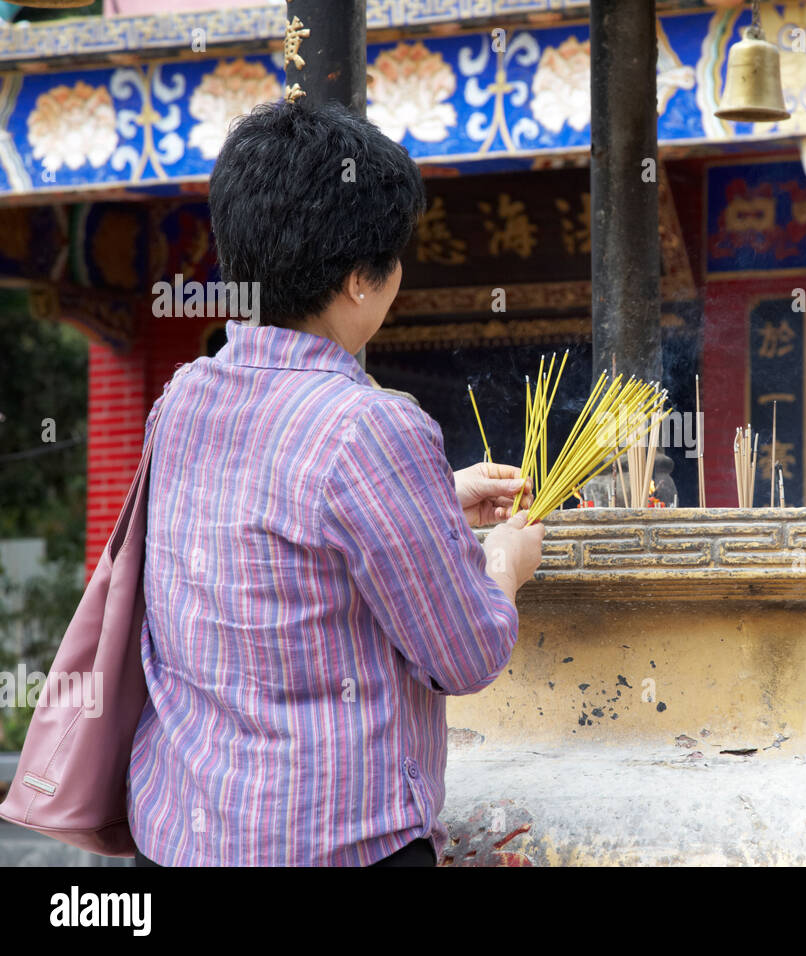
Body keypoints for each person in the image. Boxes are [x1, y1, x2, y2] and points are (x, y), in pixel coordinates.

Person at [127, 100, 545, 866]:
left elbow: (260, 530)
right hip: (331, 844)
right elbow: (465, 654)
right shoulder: (371, 427)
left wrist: (428, 499)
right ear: (360, 279)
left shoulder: (184, 395)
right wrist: (504, 564)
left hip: (184, 830)